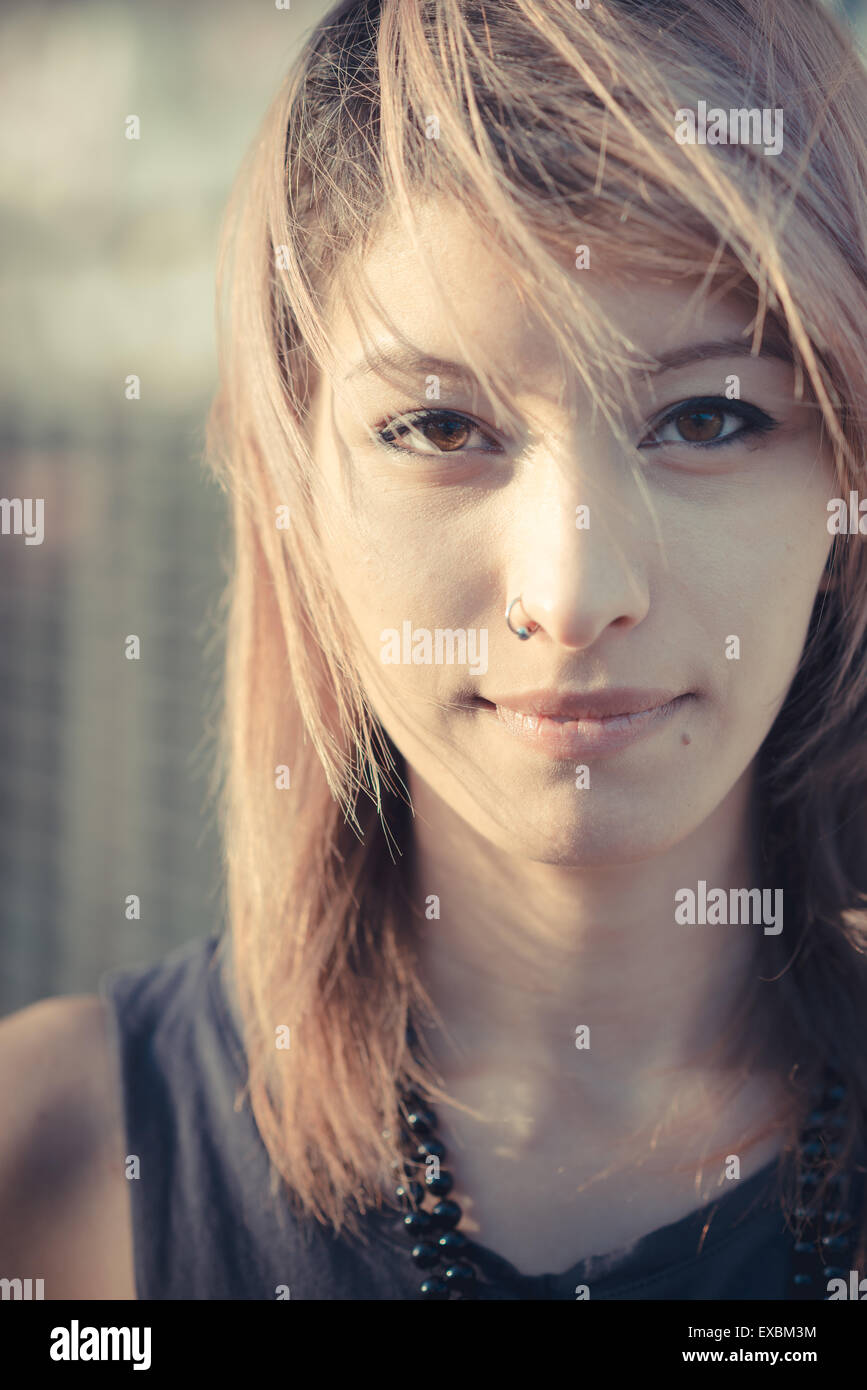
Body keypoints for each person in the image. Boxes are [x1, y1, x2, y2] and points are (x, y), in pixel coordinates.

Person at [2, 0, 867, 1301]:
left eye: (708, 415)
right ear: (293, 478)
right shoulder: (55, 1166)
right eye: (439, 428)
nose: (574, 592)